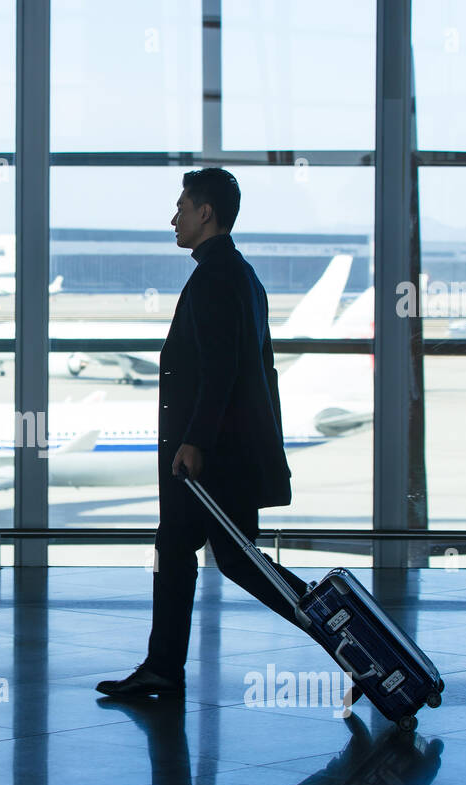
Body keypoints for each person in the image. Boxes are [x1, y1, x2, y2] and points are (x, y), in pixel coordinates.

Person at [97, 167, 309, 699]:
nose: (175, 218)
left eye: (182, 208)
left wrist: (195, 442)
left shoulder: (220, 276)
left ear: (205, 213)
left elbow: (222, 370)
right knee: (191, 551)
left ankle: (341, 635)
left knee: (232, 560)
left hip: (211, 458)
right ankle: (162, 666)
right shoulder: (236, 273)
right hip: (221, 453)